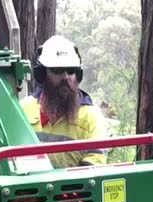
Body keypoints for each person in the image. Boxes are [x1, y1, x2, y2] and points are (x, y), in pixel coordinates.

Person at [20, 35, 107, 168]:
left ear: (78, 75)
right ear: (42, 74)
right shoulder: (24, 110)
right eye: (58, 70)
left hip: (74, 187)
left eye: (71, 70)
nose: (66, 76)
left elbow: (95, 162)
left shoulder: (91, 116)